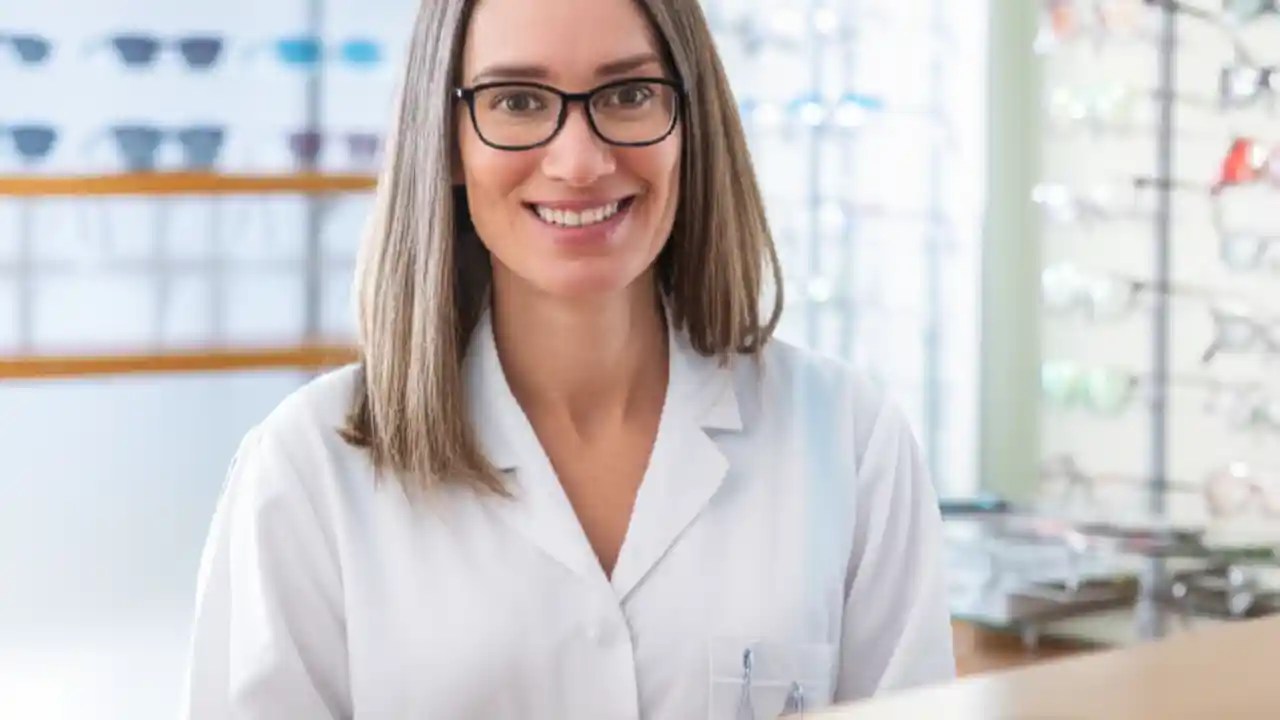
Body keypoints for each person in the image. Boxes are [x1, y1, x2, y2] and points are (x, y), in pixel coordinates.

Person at [182, 0, 956, 716]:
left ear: (692, 123)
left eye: (628, 96)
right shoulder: (309, 472)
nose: (579, 161)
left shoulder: (849, 445)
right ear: (448, 142)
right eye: (517, 101)